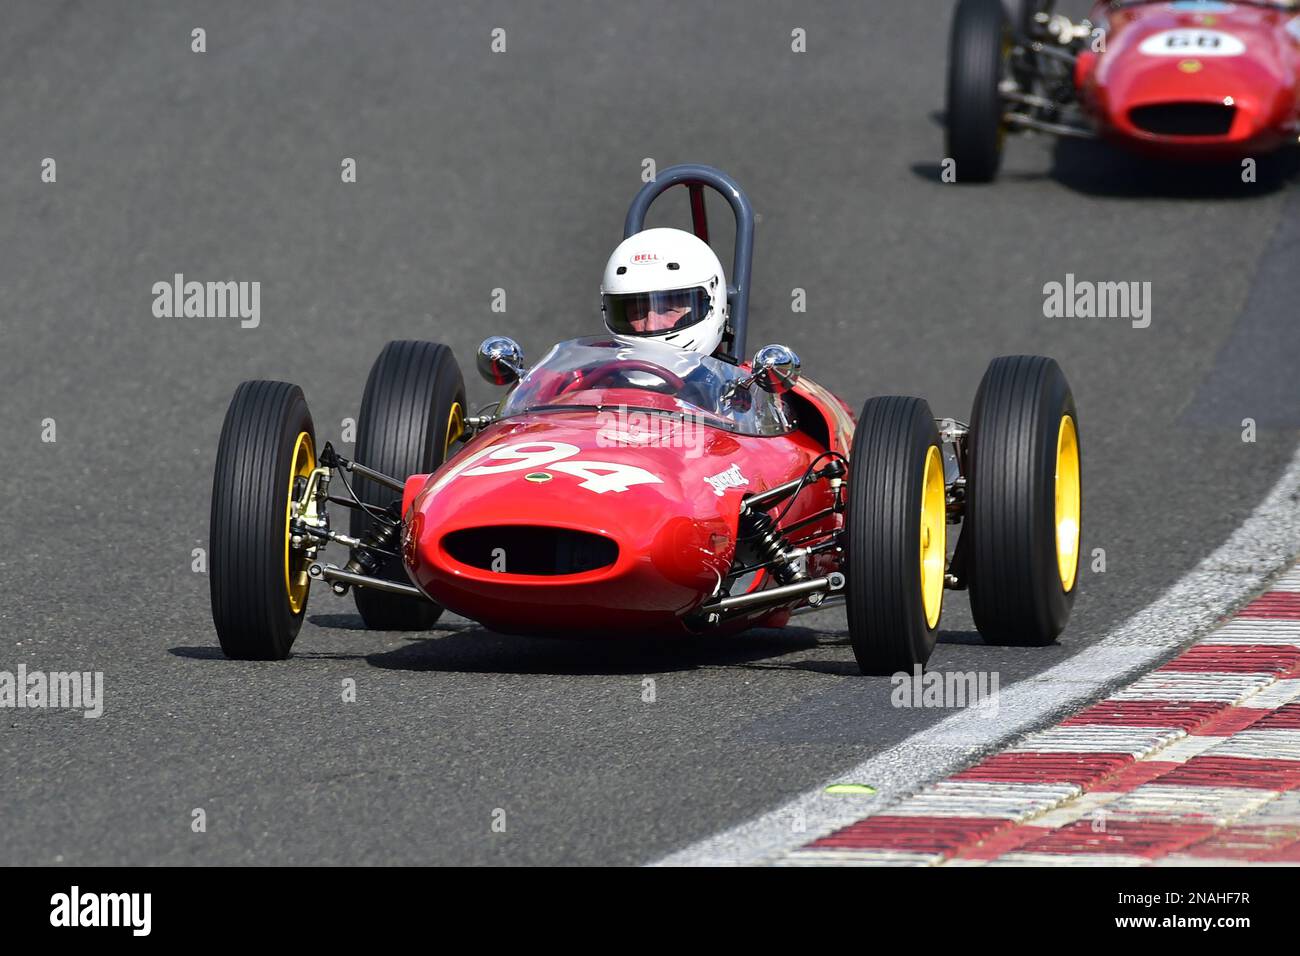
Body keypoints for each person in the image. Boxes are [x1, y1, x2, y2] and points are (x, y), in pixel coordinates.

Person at [599, 227, 728, 355]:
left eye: (666, 310)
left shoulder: (737, 375)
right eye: (638, 312)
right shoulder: (599, 374)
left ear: (711, 305)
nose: (650, 326)